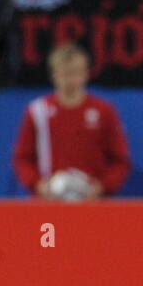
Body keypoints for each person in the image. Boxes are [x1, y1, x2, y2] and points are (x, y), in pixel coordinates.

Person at [12, 42, 130, 200]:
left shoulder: (103, 111)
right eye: (65, 74)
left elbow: (120, 160)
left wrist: (102, 187)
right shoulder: (37, 111)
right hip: (49, 201)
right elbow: (22, 158)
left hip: (92, 202)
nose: (70, 80)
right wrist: (38, 185)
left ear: (86, 74)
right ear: (54, 75)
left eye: (76, 73)